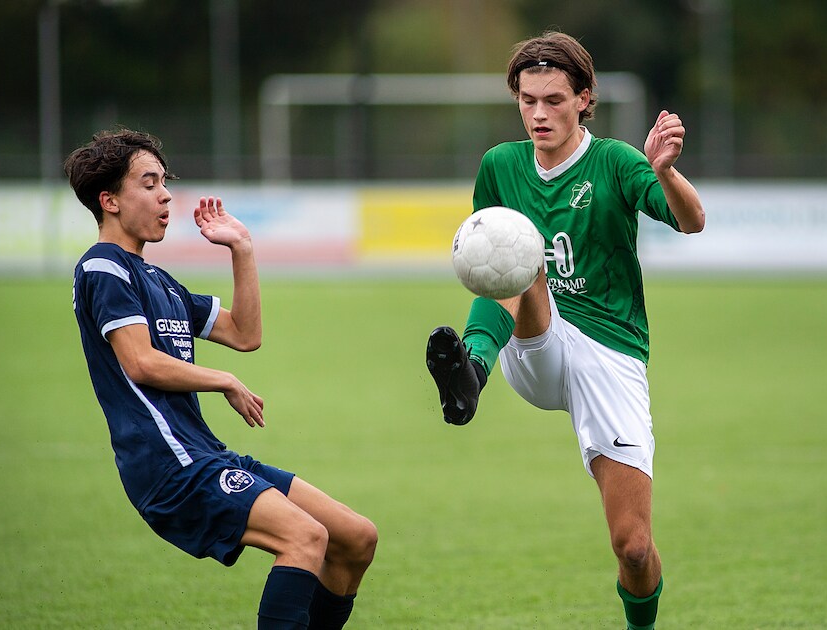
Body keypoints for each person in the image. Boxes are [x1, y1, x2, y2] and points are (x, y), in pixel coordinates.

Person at [425, 31, 705, 630]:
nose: (538, 114)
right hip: (535, 342)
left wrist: (665, 172)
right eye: (527, 101)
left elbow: (692, 221)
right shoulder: (500, 165)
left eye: (553, 100)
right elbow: (489, 264)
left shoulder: (616, 162)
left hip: (610, 354)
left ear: (584, 99)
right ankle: (470, 373)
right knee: (516, 252)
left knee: (633, 548)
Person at [68, 128, 377, 629]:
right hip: (167, 464)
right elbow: (140, 362)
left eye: (164, 182)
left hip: (202, 453)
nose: (165, 195)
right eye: (149, 184)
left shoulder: (160, 281)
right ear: (110, 201)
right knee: (305, 537)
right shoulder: (103, 267)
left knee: (355, 538)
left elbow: (244, 333)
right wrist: (224, 380)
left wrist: (242, 249)